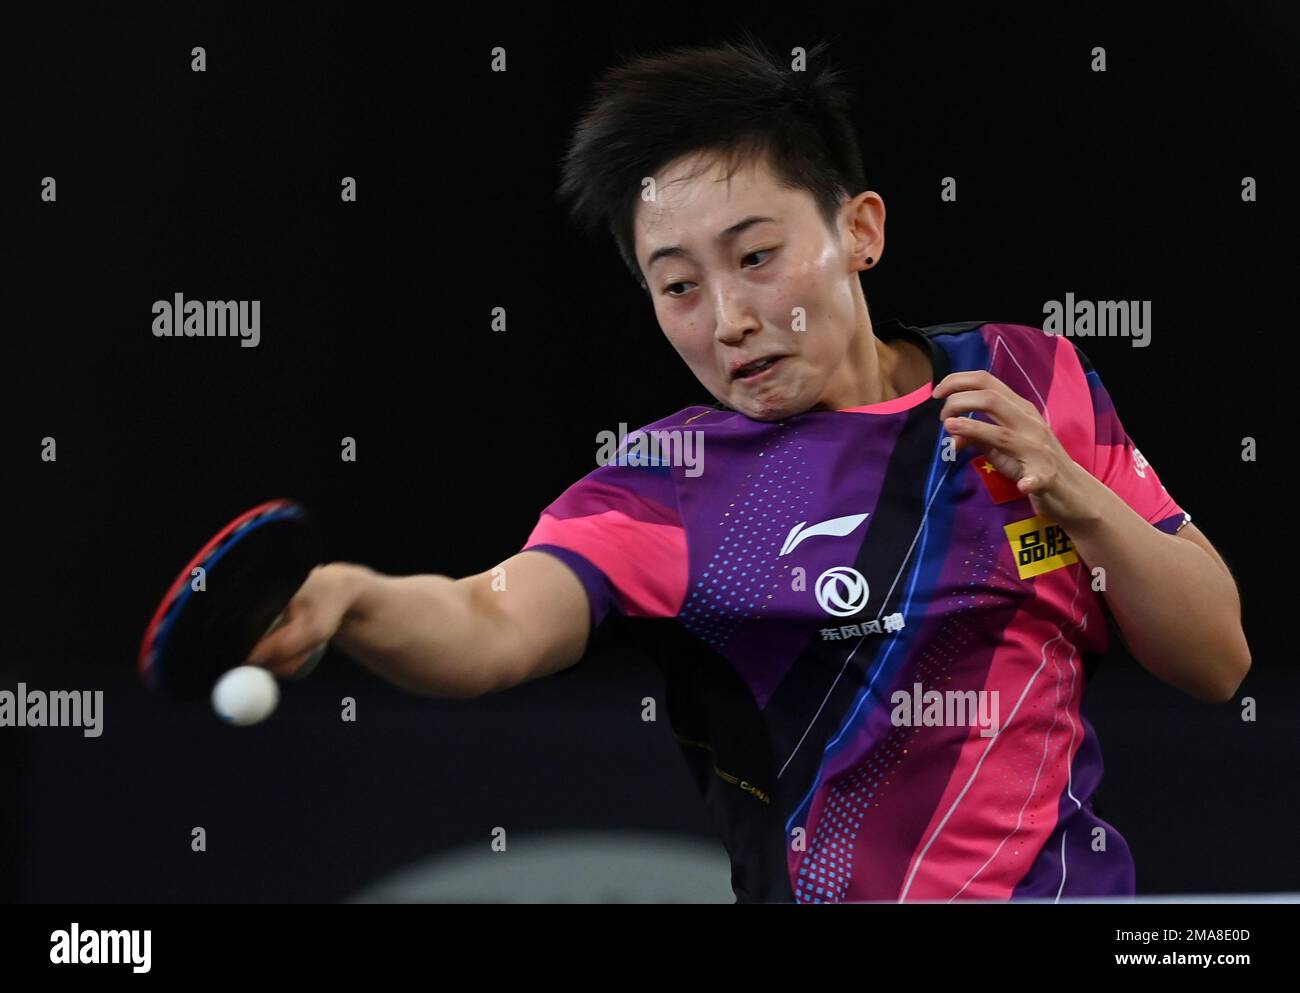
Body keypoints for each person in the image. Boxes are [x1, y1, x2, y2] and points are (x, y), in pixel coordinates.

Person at [246, 35, 1250, 903]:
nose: (725, 320)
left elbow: (1216, 660)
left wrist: (1073, 497)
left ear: (860, 230)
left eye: (755, 258)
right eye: (677, 285)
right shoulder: (671, 485)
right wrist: (351, 600)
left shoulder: (1030, 375)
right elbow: (489, 625)